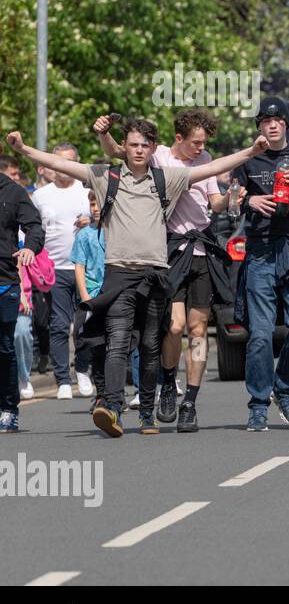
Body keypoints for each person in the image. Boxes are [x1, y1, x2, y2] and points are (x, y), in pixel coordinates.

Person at [9, 119, 266, 437]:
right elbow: (58, 162)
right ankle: (113, 407)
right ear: (125, 148)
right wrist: (22, 148)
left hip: (156, 275)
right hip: (118, 274)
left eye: (145, 145)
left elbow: (212, 168)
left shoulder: (167, 179)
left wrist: (251, 151)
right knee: (117, 341)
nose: (139, 150)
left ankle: (147, 413)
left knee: (149, 346)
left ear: (153, 149)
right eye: (133, 145)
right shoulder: (106, 177)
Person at [98, 108, 232, 429]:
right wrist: (103, 132)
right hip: (170, 248)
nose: (201, 148)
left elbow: (214, 204)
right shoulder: (157, 155)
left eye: (204, 143)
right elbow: (118, 151)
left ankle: (190, 401)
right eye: (195, 143)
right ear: (178, 139)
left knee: (198, 330)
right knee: (174, 326)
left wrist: (230, 198)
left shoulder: (206, 158)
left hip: (201, 248)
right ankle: (169, 382)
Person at [230, 97, 289, 432]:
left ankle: (284, 389)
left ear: (285, 123)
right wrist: (248, 200)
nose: (271, 125)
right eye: (264, 121)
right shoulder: (248, 158)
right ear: (259, 127)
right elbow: (230, 204)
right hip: (260, 252)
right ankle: (257, 404)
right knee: (260, 335)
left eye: (277, 120)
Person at [30, 142, 92, 401]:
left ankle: (83, 370)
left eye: (69, 162)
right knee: (57, 325)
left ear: (77, 163)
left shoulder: (87, 190)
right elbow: (32, 229)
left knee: (86, 324)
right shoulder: (40, 196)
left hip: (85, 268)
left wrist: (91, 220)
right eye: (58, 162)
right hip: (54, 269)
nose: (63, 168)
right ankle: (62, 379)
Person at [0, 155, 44, 434]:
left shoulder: (13, 192)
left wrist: (30, 247)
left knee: (4, 347)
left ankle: (8, 408)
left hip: (4, 280)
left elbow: (35, 226)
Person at [71, 190, 105, 406]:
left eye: (98, 203)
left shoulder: (119, 231)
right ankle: (102, 393)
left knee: (118, 347)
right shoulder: (84, 234)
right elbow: (79, 267)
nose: (94, 208)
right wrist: (86, 298)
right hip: (92, 295)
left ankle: (117, 392)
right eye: (92, 203)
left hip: (116, 294)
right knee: (96, 345)